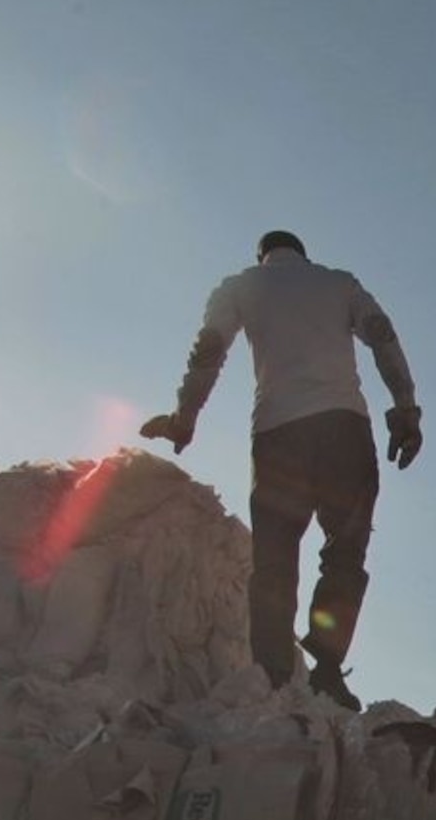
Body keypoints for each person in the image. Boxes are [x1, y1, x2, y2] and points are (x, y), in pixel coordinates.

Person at [143, 230, 421, 707]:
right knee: (345, 552)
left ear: (262, 256)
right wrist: (406, 408)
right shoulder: (339, 283)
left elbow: (208, 352)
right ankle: (328, 670)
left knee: (274, 562)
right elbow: (383, 337)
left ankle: (270, 677)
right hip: (344, 430)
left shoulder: (240, 287)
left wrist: (184, 419)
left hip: (276, 435)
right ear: (302, 254)